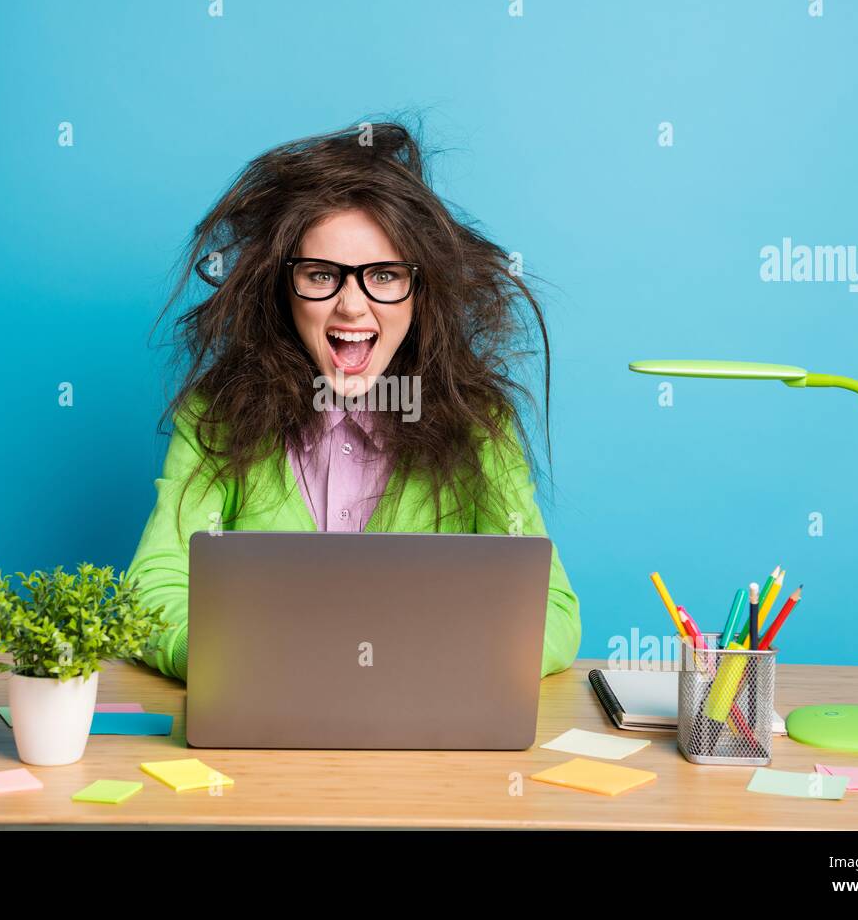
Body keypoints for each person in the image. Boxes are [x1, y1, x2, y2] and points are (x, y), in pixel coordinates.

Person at [127, 120, 580, 682]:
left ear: (421, 292)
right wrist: (229, 659)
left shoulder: (477, 425)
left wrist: (431, 664)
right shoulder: (217, 415)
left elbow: (553, 611)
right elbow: (155, 585)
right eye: (321, 275)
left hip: (423, 729)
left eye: (384, 276)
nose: (351, 307)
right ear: (280, 289)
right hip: (264, 721)